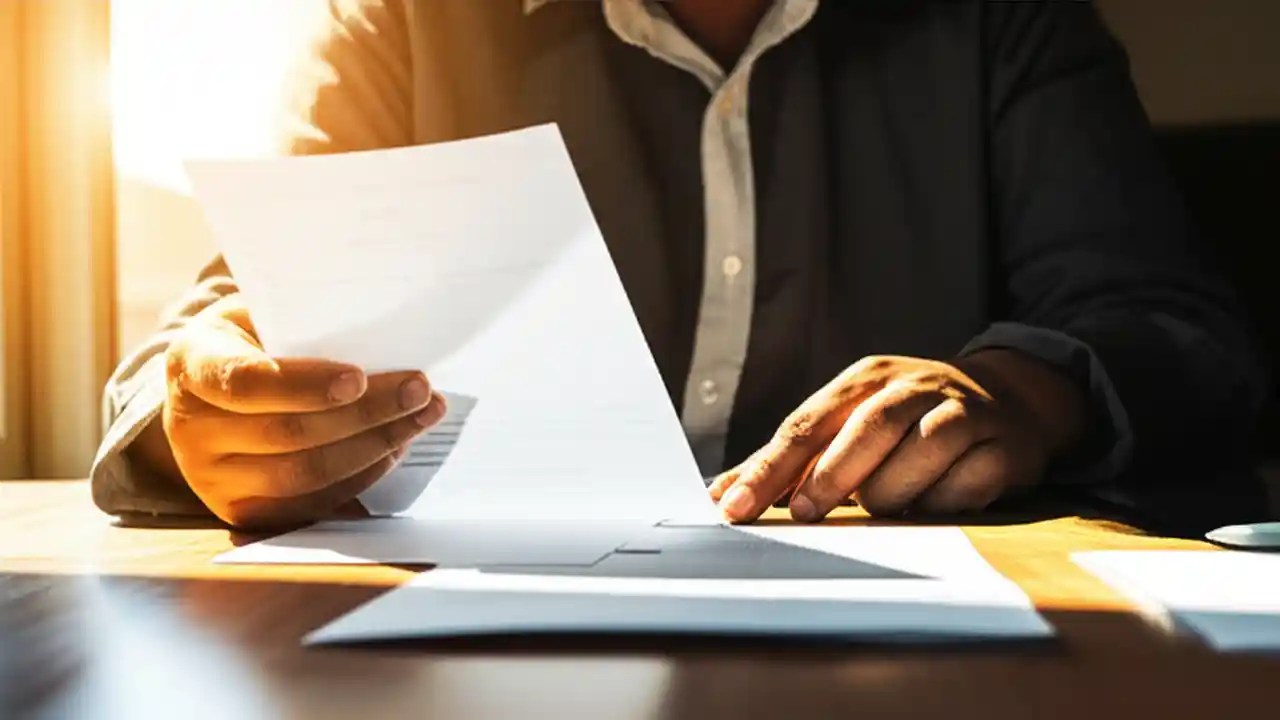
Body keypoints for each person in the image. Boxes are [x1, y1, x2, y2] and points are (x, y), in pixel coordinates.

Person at [92, 0, 1265, 529]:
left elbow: (1176, 327)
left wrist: (1015, 395)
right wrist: (204, 416)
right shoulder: (405, 20)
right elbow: (210, 337)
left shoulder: (1000, 23)